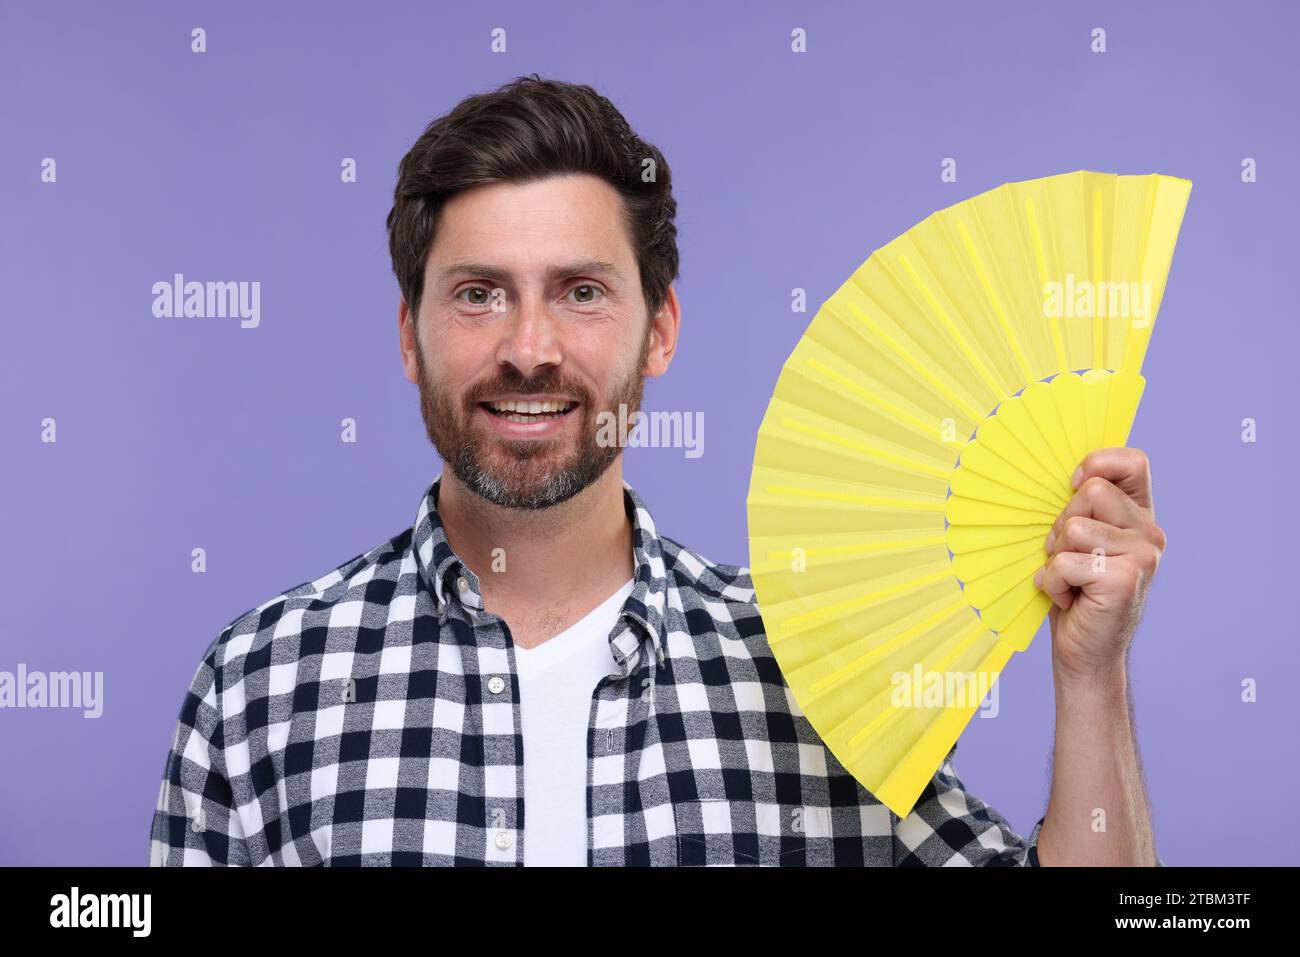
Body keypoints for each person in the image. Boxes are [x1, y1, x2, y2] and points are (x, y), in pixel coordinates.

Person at [149, 75, 1163, 866]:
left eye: (581, 291)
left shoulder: (808, 667)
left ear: (660, 329)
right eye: (477, 294)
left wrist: (1089, 674)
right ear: (409, 338)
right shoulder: (260, 682)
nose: (530, 347)